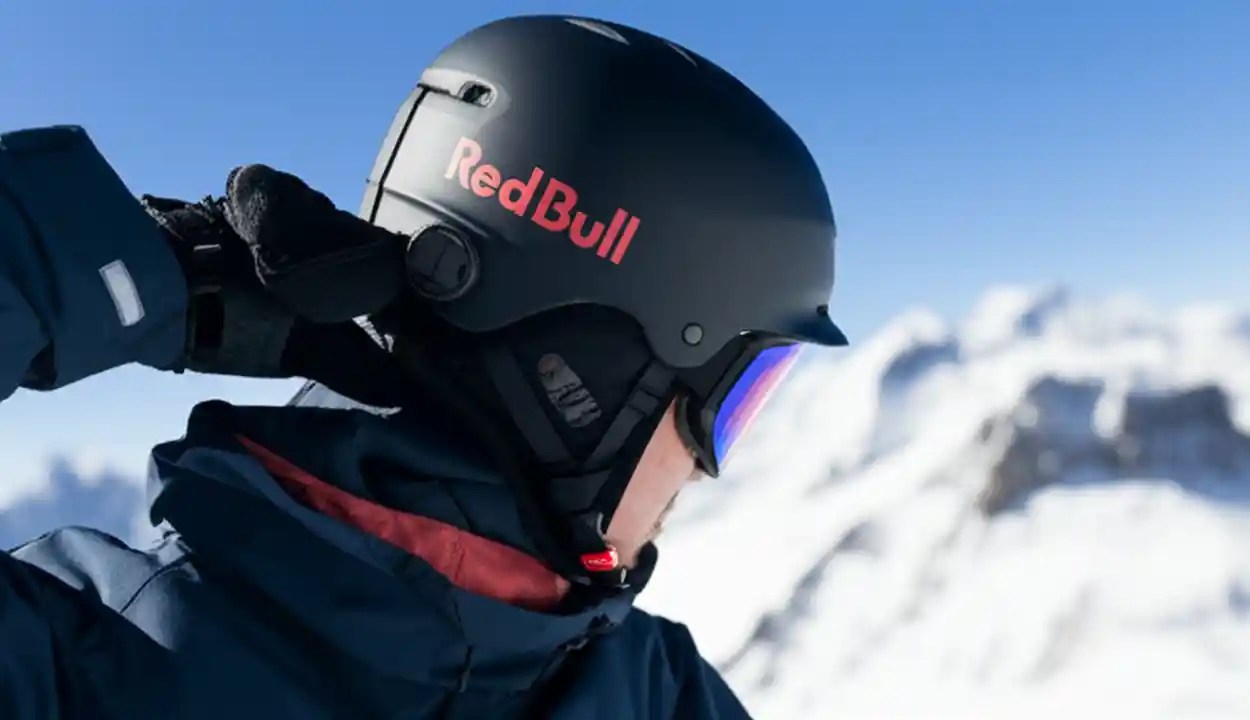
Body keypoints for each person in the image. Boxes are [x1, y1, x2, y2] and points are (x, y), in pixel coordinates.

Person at [0, 14, 845, 719]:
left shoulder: (651, 688)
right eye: (731, 399)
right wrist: (106, 271)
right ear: (584, 381)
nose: (705, 467)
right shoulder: (80, 663)